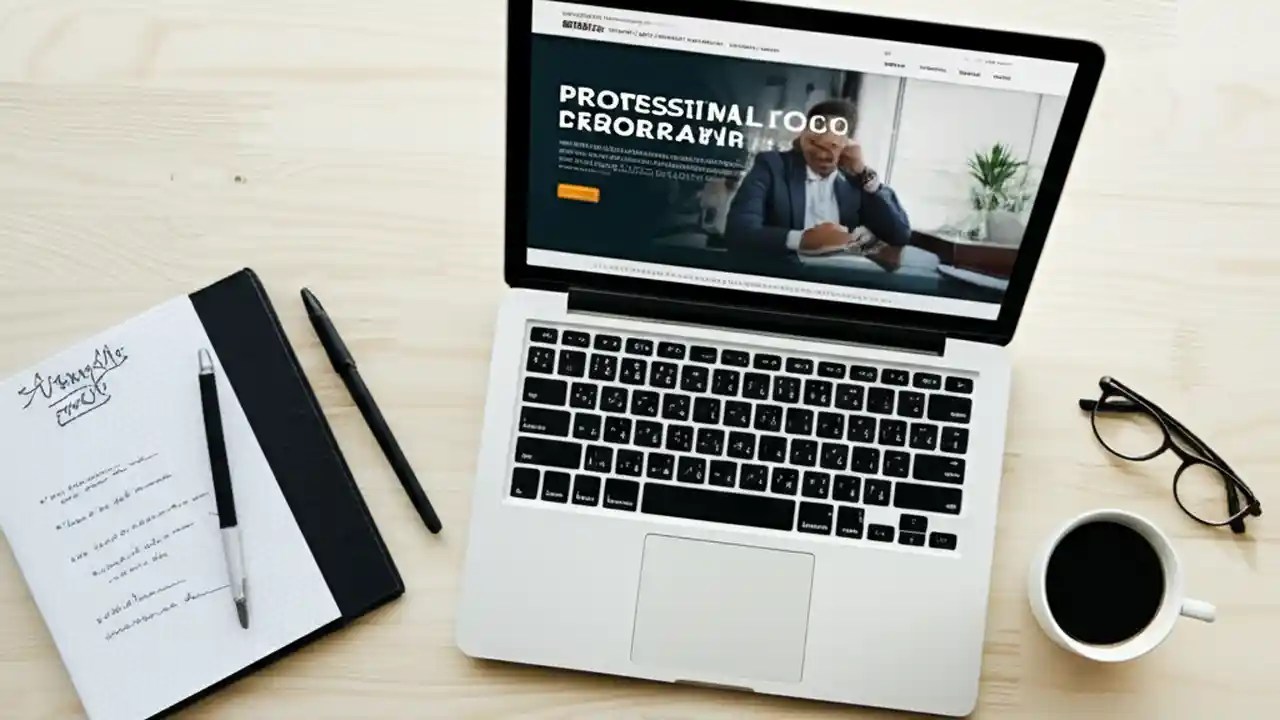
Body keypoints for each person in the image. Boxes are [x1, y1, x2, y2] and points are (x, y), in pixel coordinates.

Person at [725, 99, 911, 271]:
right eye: (815, 143)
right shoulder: (771, 166)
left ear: (847, 145)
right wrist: (802, 240)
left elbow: (899, 235)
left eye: (831, 146)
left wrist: (865, 174)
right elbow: (738, 231)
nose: (822, 155)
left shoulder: (856, 179)